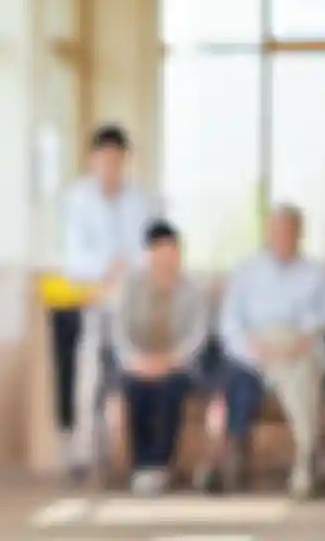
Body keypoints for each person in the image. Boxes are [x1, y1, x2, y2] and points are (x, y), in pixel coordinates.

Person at [56, 124, 157, 478]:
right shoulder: (76, 199)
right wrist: (107, 266)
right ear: (92, 159)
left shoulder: (142, 200)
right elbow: (73, 259)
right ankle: (85, 452)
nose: (110, 166)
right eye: (104, 159)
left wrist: (124, 267)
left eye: (117, 159)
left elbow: (152, 252)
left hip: (133, 300)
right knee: (90, 376)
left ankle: (138, 457)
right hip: (93, 300)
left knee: (135, 373)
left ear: (125, 160)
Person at [219, 205, 325, 499]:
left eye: (290, 231)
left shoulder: (317, 271)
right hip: (257, 347)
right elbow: (229, 323)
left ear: (300, 234)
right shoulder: (246, 270)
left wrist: (302, 338)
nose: (283, 236)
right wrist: (254, 349)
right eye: (277, 230)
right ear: (267, 234)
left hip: (301, 343)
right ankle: (308, 456)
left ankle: (305, 460)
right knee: (300, 379)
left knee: (302, 372)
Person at [108, 220, 209, 496]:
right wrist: (136, 360)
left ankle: (159, 466)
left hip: (178, 364)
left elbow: (197, 335)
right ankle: (142, 466)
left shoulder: (192, 287)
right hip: (136, 362)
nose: (168, 257)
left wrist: (170, 360)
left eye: (173, 251)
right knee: (134, 388)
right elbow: (118, 330)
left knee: (170, 388)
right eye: (161, 251)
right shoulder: (130, 284)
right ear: (150, 253)